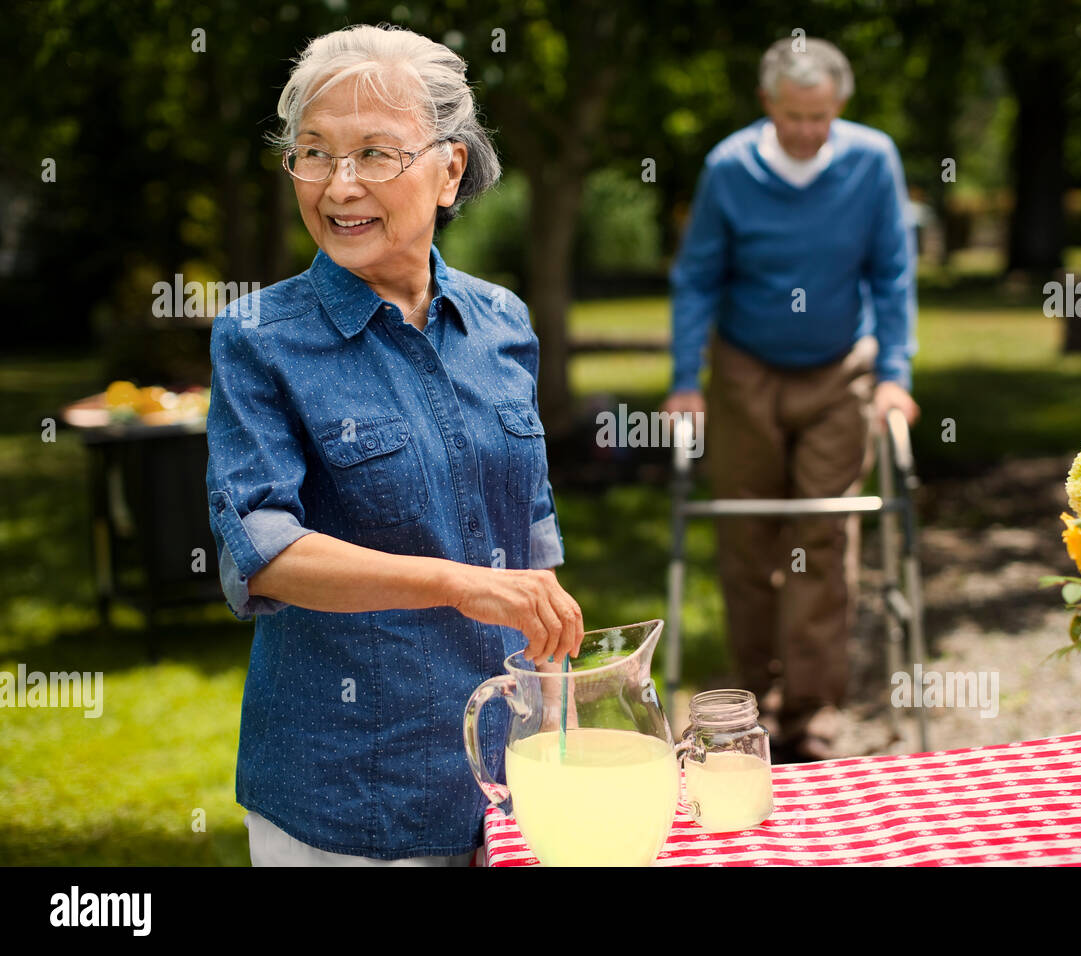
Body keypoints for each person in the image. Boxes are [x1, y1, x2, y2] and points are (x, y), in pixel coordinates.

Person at [205, 24, 583, 866]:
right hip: (347, 793)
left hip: (508, 776)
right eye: (314, 153)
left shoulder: (502, 323)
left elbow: (531, 529)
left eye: (376, 153)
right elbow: (262, 552)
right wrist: (458, 585)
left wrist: (555, 708)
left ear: (449, 170)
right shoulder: (258, 337)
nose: (339, 185)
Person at [663, 37, 920, 763]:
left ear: (839, 107)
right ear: (767, 105)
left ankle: (811, 706)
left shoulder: (871, 161)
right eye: (793, 116)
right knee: (746, 540)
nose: (807, 131)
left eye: (820, 117)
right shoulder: (729, 168)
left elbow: (893, 273)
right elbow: (698, 278)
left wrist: (895, 374)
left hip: (840, 371)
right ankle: (752, 698)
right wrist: (686, 381)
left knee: (822, 536)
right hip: (745, 371)